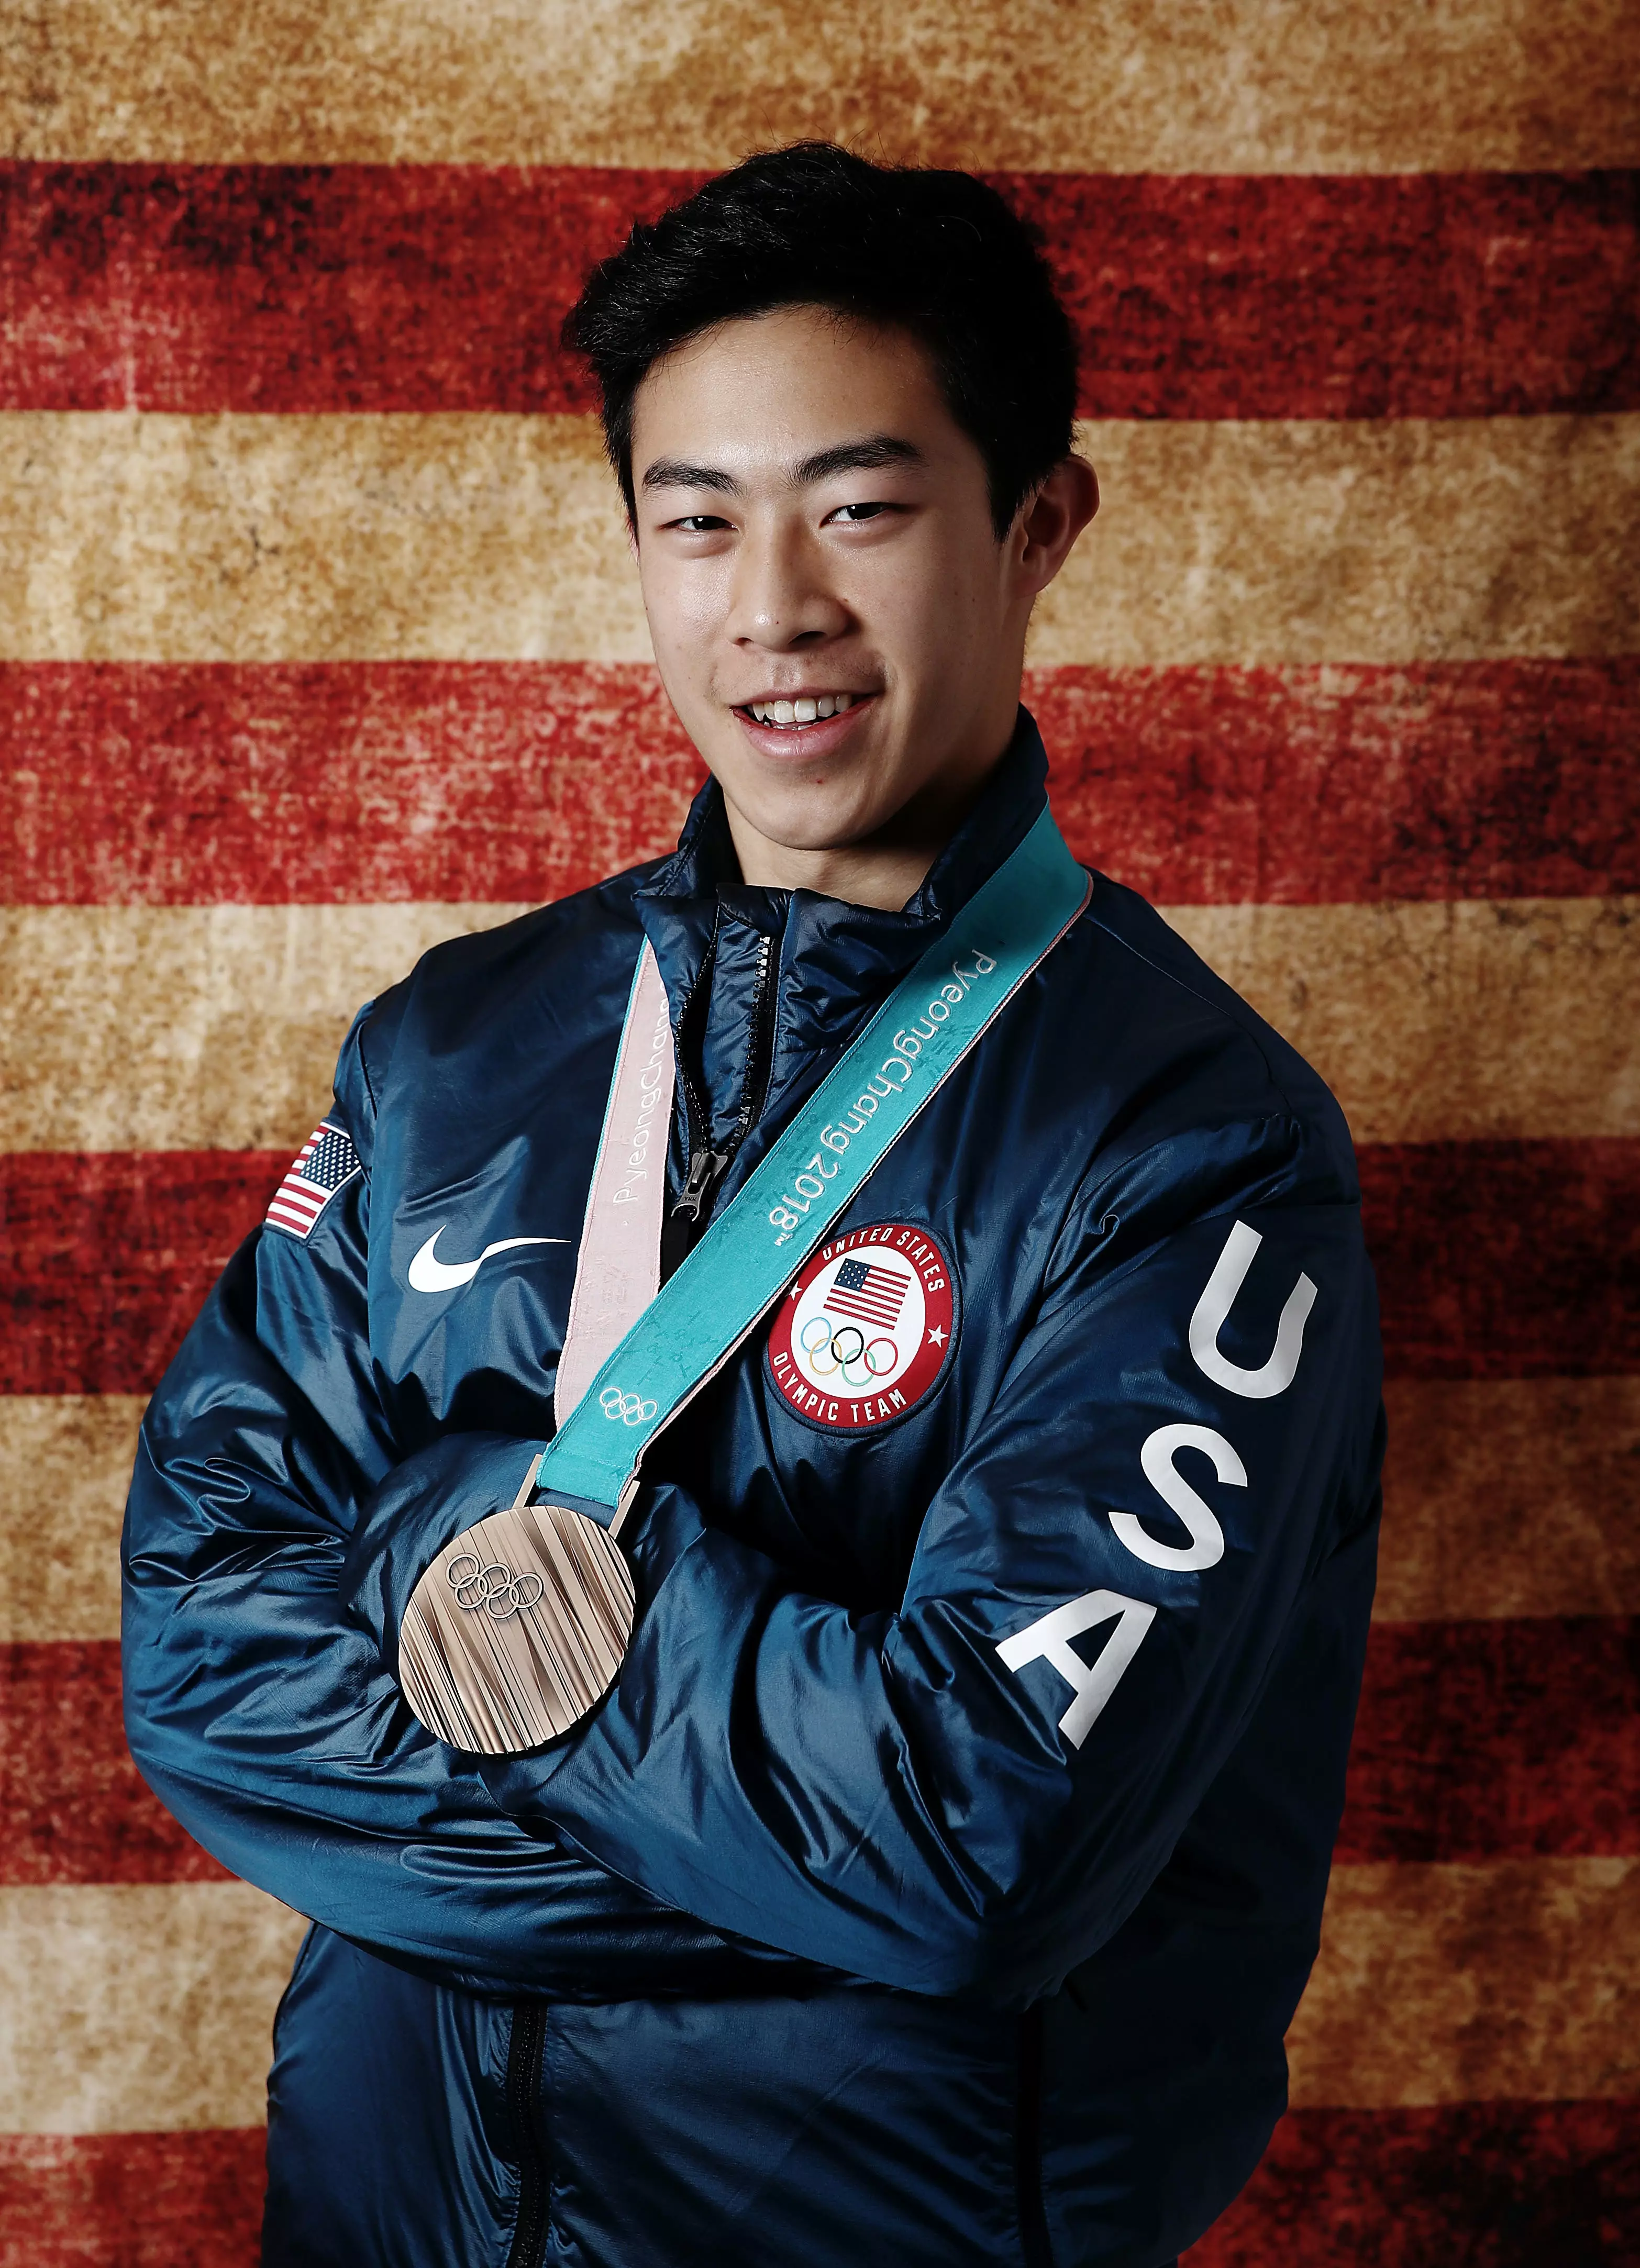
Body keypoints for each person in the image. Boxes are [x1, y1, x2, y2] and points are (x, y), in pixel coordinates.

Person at [123, 143, 1383, 2268]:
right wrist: (794, 1852)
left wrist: (455, 1536)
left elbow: (978, 1849)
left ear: (1037, 524)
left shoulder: (1192, 1151)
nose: (771, 607)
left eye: (861, 508)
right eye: (694, 518)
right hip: (383, 2210)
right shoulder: (452, 1051)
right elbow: (201, 1667)